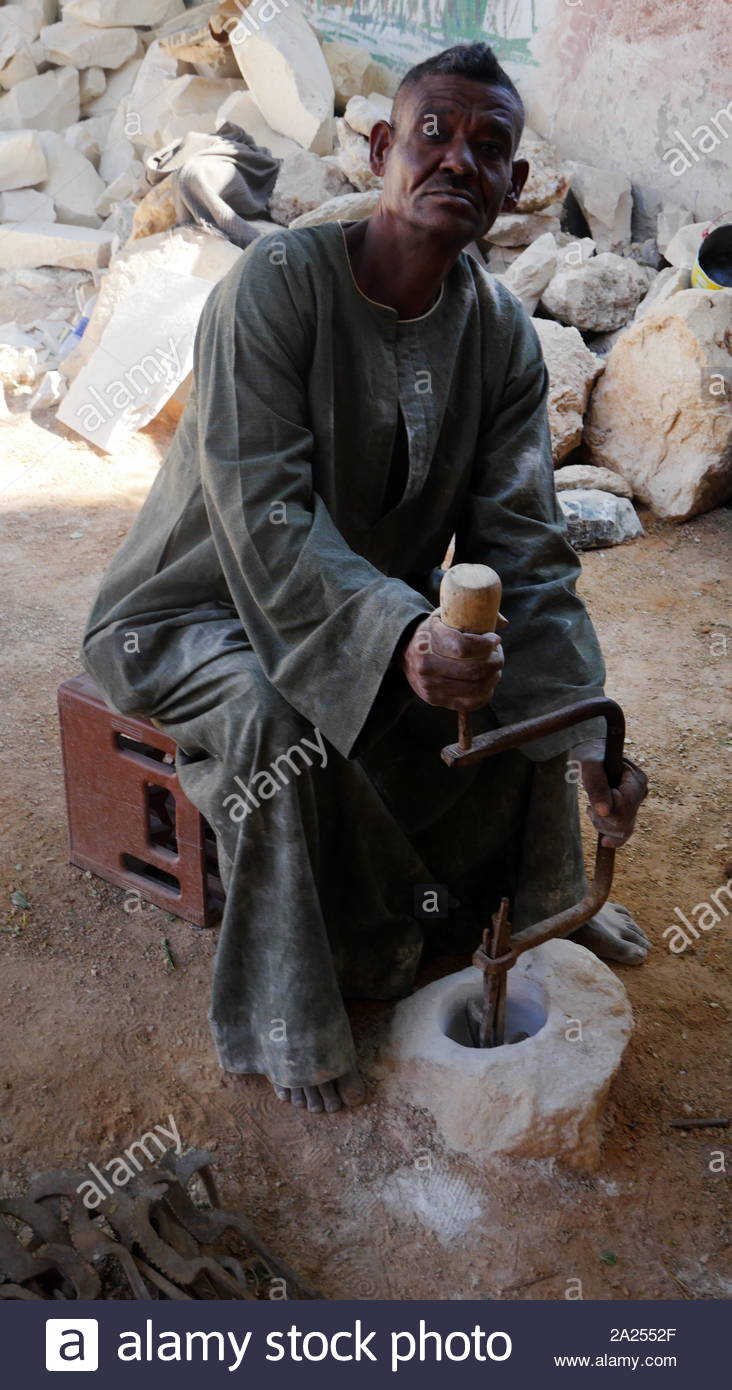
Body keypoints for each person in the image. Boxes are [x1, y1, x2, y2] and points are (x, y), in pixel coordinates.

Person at [81, 42, 649, 1115]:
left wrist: (588, 738)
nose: (458, 161)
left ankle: (550, 896)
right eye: (433, 132)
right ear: (383, 148)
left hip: (355, 612)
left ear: (513, 187)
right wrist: (398, 637)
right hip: (194, 609)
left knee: (518, 666)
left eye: (490, 147)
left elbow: (526, 547)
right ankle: (292, 1015)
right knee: (274, 716)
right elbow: (265, 519)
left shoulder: (503, 339)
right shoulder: (275, 288)